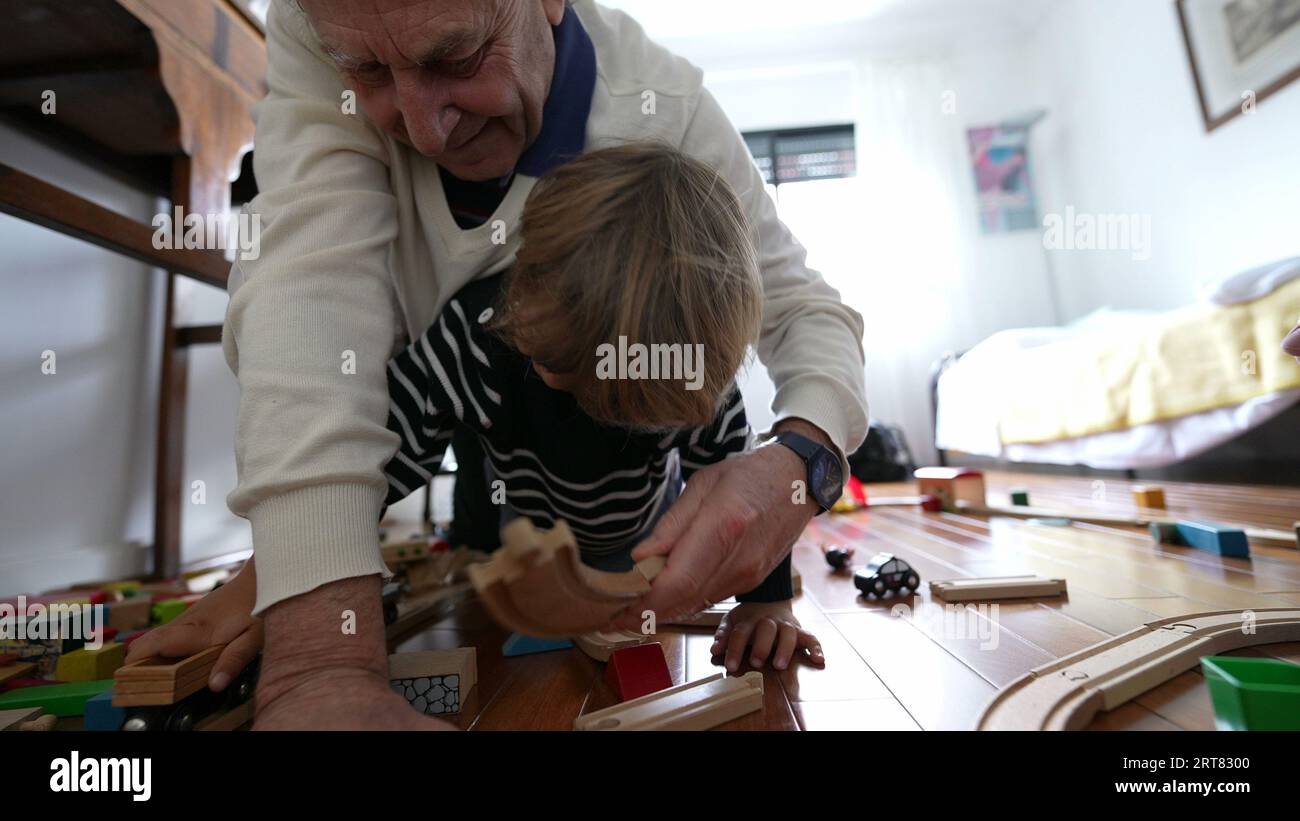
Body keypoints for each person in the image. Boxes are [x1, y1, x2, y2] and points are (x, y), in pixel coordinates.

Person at [216, 0, 867, 728]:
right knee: (479, 537)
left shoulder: (669, 111)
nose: (426, 130)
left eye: (456, 57)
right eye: (367, 70)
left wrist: (778, 544)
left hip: (604, 526)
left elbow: (797, 338)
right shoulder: (476, 348)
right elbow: (311, 307)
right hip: (493, 461)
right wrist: (295, 574)